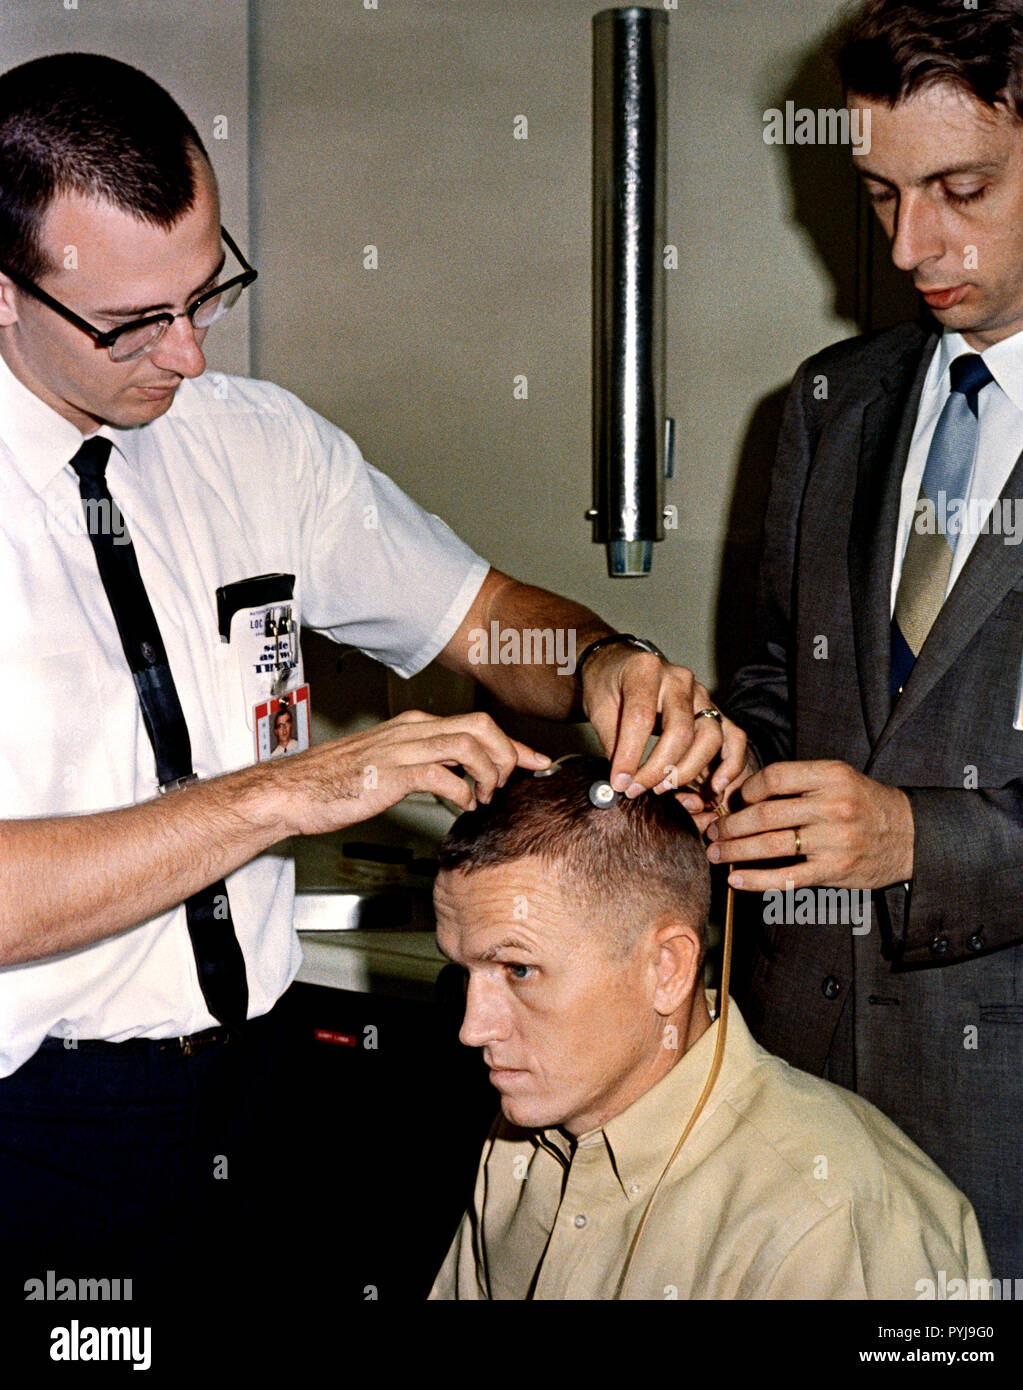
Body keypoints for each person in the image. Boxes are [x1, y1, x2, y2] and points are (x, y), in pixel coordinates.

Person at [0, 51, 746, 1295]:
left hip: (262, 1086)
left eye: (209, 292)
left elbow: (488, 616)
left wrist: (606, 661)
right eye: (134, 323)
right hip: (43, 1123)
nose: (187, 357)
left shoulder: (255, 444)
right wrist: (287, 792)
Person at [698, 0, 1023, 1295]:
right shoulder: (831, 403)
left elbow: (902, 813)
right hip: (801, 1107)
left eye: (962, 188)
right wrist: (729, 756)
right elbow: (784, 683)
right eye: (880, 192)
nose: (912, 244)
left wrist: (913, 840)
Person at [428, 757, 991, 1300]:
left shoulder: (829, 1223)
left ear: (666, 968)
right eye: (464, 970)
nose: (472, 1030)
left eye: (518, 969)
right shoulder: (522, 1137)